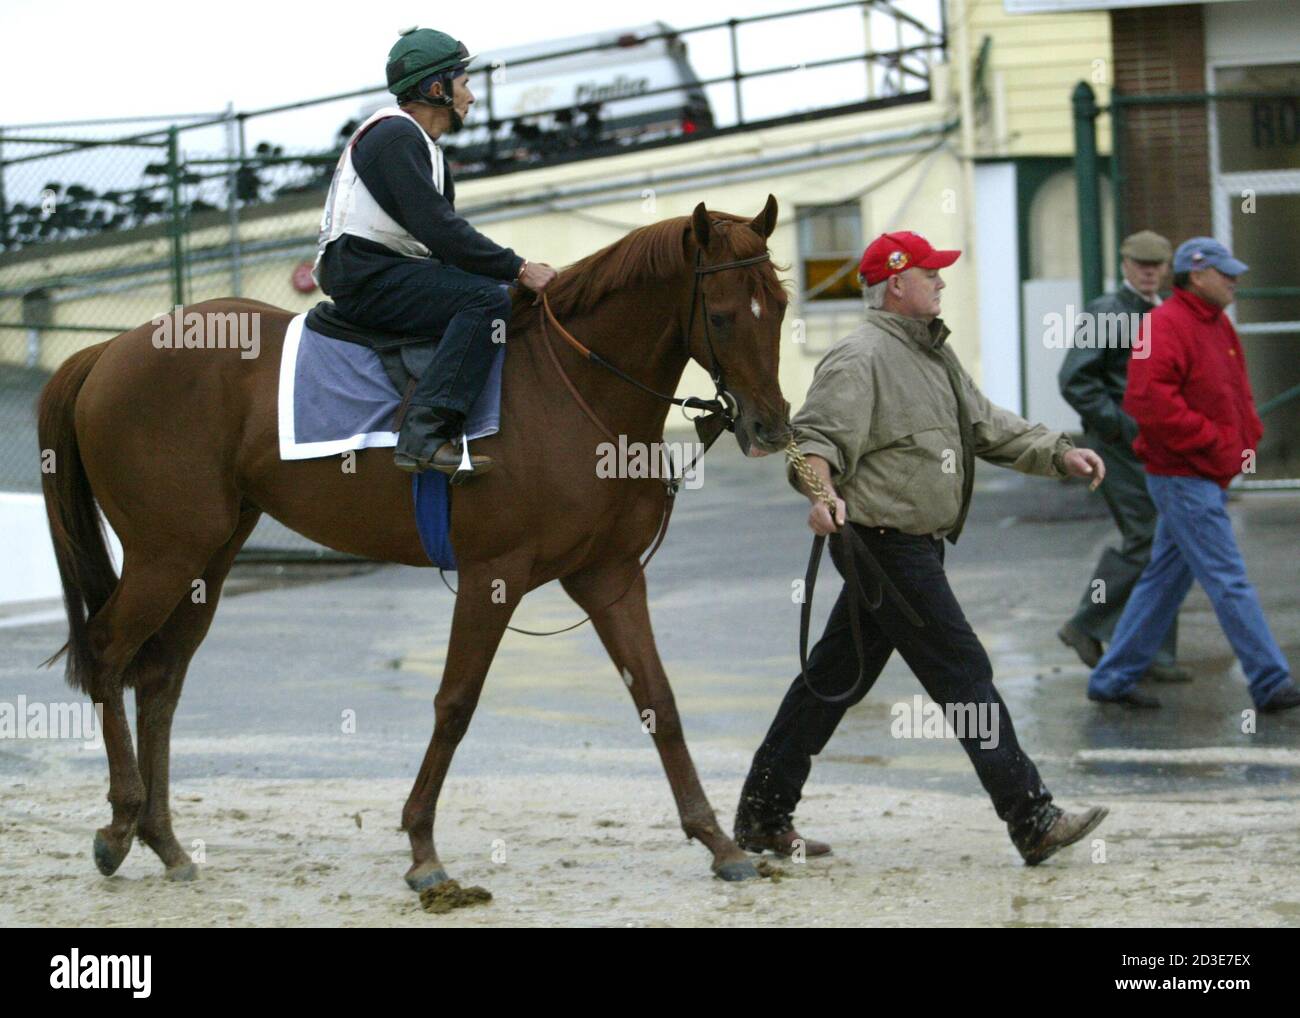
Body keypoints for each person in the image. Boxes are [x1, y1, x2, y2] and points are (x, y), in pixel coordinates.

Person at [734, 231, 1109, 865]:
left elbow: (986, 424)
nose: (940, 282)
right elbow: (815, 443)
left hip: (911, 548)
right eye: (930, 273)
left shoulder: (933, 354)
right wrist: (821, 495)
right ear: (895, 284)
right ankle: (1032, 817)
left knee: (832, 681)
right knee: (964, 674)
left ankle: (762, 815)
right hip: (884, 547)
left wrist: (1057, 452)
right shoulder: (860, 358)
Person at [313, 27, 557, 477]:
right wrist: (519, 268)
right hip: (366, 276)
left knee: (492, 289)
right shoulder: (394, 137)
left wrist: (504, 275)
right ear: (435, 88)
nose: (472, 96)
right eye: (463, 83)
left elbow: (446, 247)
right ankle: (425, 434)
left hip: (385, 271)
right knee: (485, 299)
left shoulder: (425, 151)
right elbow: (442, 231)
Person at [1088, 238, 1300, 712]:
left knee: (1163, 579)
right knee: (1229, 578)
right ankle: (1268, 680)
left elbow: (1234, 392)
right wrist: (1217, 442)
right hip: (1183, 476)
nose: (1234, 279)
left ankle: (1113, 678)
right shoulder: (1166, 326)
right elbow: (1148, 403)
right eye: (1224, 272)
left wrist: (1249, 432)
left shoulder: (1215, 323)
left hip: (1200, 473)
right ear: (1195, 275)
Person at [1057, 230, 1191, 683]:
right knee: (1151, 539)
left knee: (1166, 542)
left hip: (1151, 447)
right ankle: (1086, 624)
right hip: (1119, 448)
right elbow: (1075, 378)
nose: (1150, 271)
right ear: (1125, 264)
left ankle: (1150, 650)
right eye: (1141, 264)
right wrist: (1119, 426)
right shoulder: (1108, 312)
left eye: (1158, 265)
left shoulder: (1162, 312)